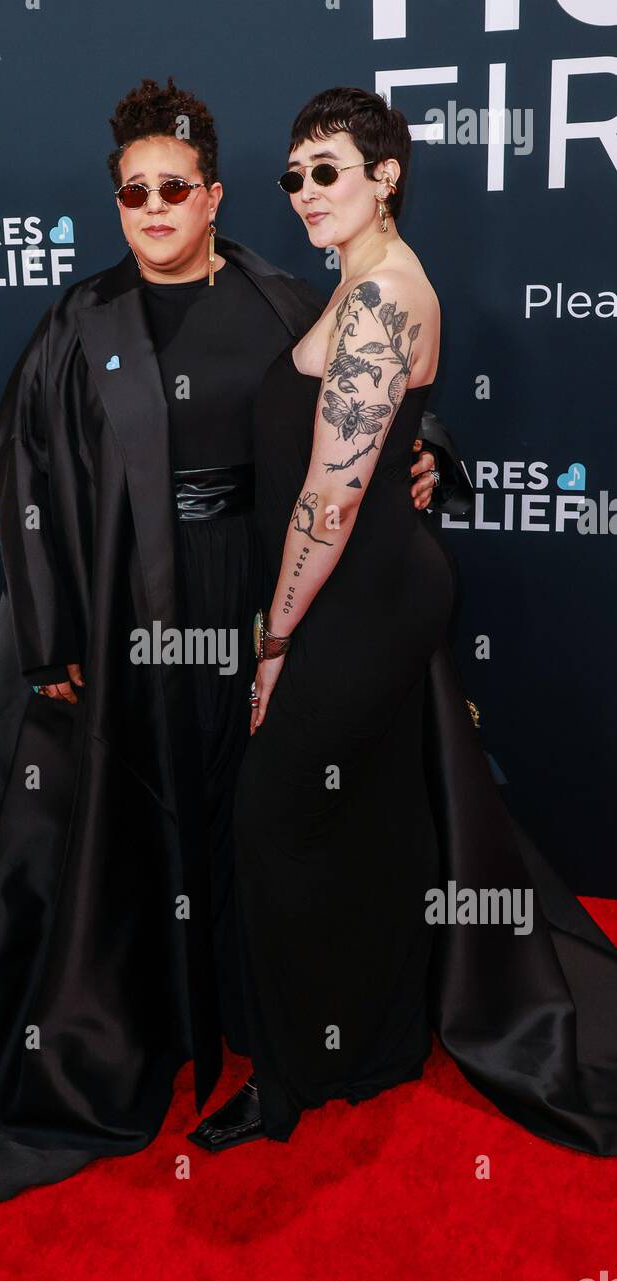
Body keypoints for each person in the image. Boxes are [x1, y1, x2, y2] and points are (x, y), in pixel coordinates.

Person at [0, 80, 459, 1207]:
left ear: (213, 196)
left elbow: (354, 427)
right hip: (133, 612)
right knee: (150, 813)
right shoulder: (76, 326)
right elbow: (25, 484)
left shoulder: (285, 298)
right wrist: (50, 636)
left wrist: (429, 462)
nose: (152, 206)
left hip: (267, 594)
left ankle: (256, 1006)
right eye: (131, 191)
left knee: (257, 806)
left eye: (174, 187)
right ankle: (156, 1008)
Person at [188, 88, 617, 1158]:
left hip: (355, 595)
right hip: (371, 580)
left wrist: (275, 639)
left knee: (273, 815)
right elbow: (376, 451)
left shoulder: (383, 299)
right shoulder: (356, 287)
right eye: (291, 175)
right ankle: (368, 1043)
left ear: (385, 174)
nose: (303, 193)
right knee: (371, 814)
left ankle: (285, 1078)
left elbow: (326, 503)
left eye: (325, 170)